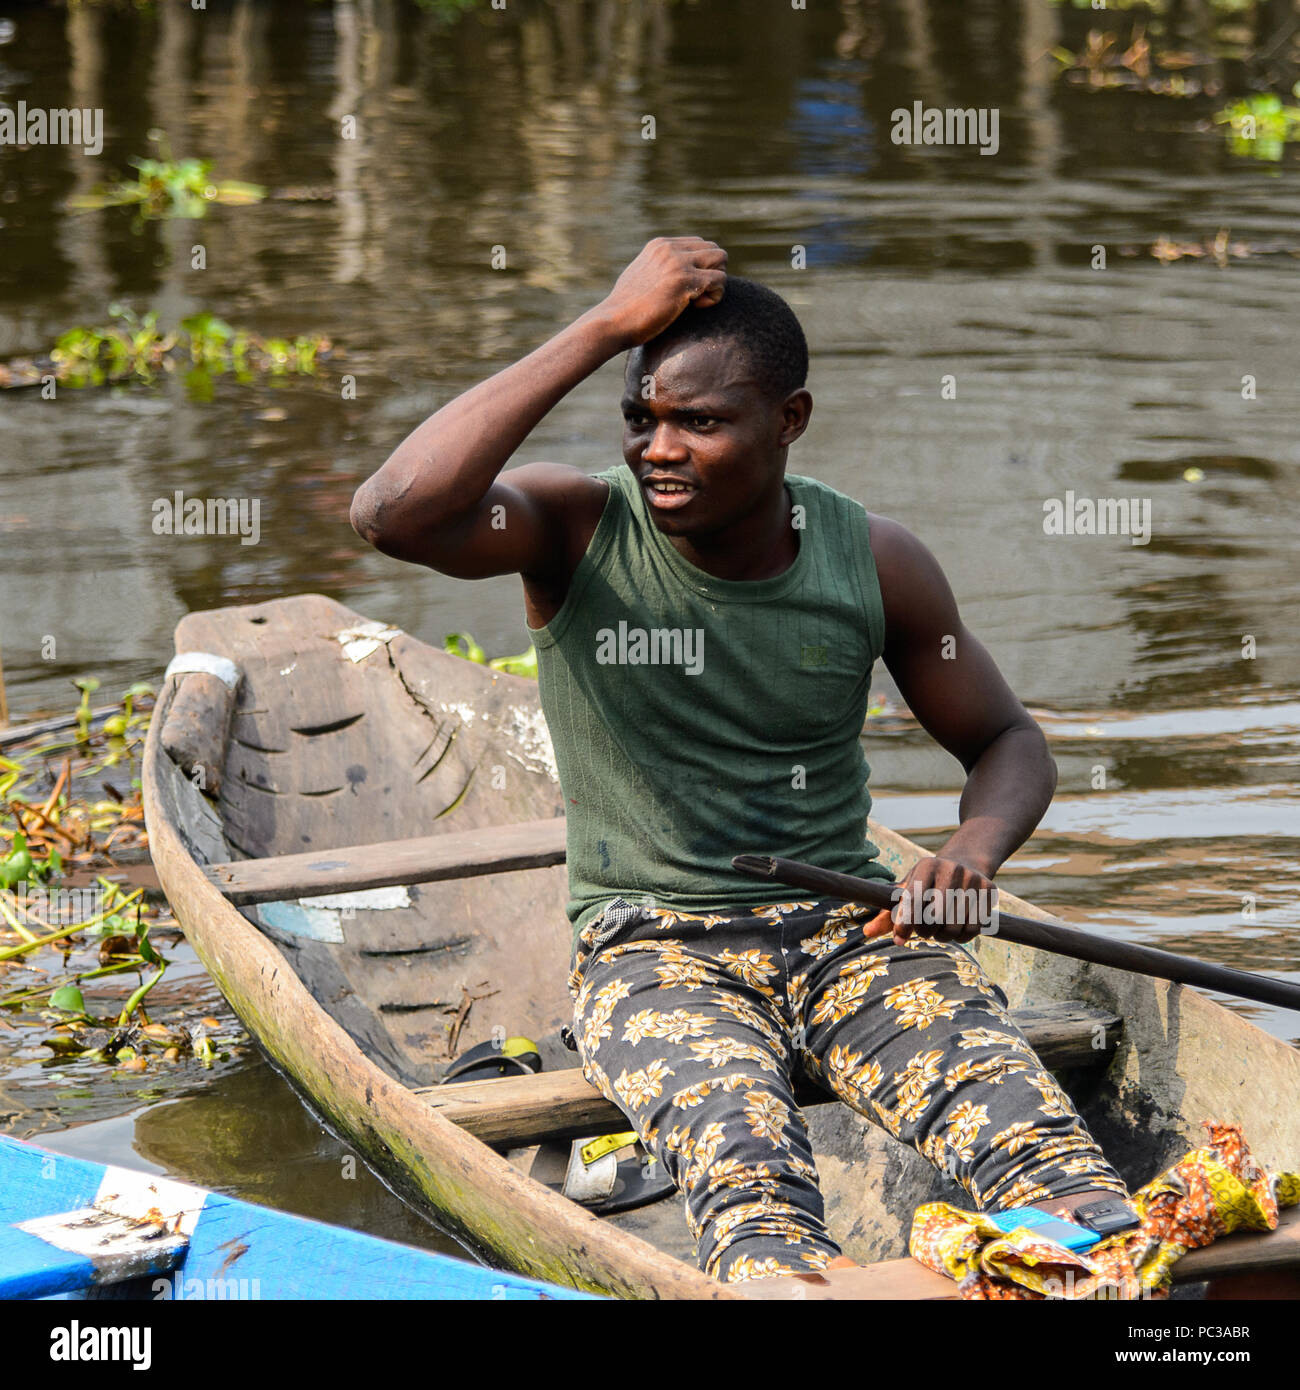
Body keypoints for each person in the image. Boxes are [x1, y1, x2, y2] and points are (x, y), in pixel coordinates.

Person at [351, 236, 1132, 1283]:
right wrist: (603, 326)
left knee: (1051, 1161)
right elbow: (394, 512)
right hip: (653, 949)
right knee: (749, 1179)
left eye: (700, 422)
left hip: (851, 930)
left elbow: (1006, 741)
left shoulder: (875, 558)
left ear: (788, 422)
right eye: (642, 418)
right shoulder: (573, 528)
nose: (658, 449)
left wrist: (969, 856)